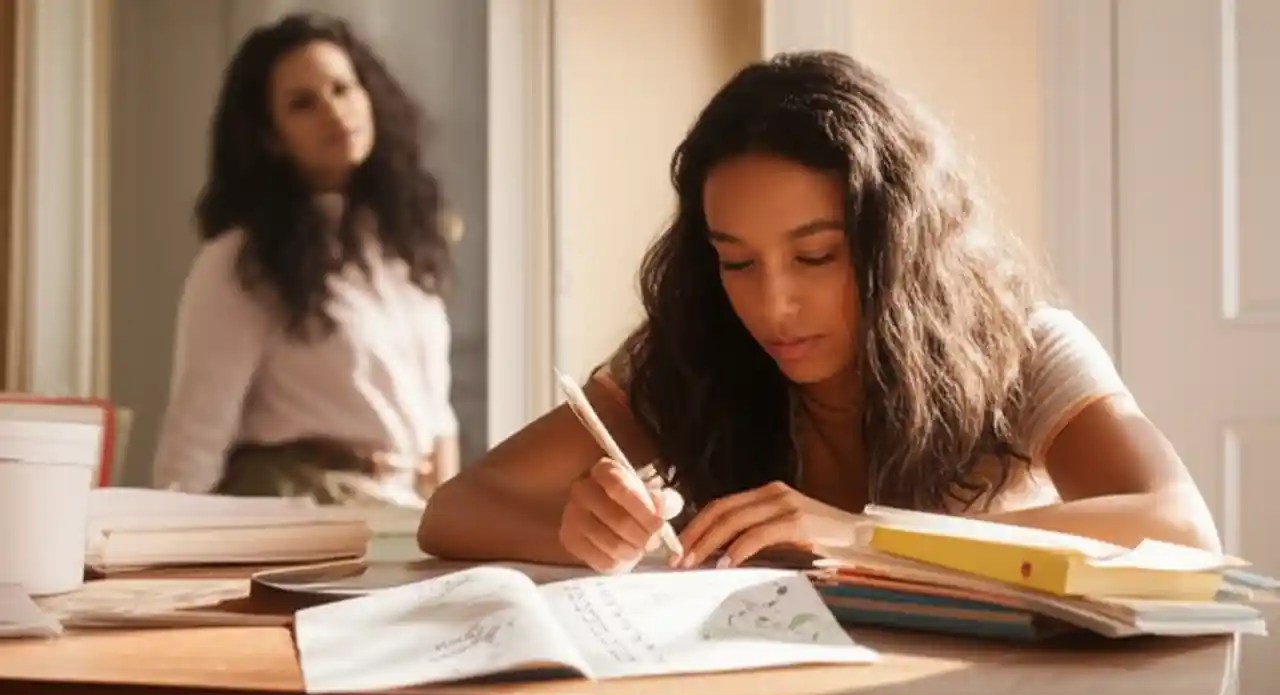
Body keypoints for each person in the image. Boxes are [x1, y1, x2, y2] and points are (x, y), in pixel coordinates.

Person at [419, 50, 1221, 572]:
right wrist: (582, 536)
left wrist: (865, 539)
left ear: (897, 243)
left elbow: (1180, 530)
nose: (772, 305)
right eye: (736, 261)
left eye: (816, 256)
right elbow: (455, 510)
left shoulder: (1026, 347)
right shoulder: (699, 343)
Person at [153, 12, 459, 505]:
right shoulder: (240, 261)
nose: (335, 113)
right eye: (303, 104)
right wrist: (162, 557)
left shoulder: (403, 248)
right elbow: (196, 435)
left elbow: (436, 413)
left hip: (401, 507)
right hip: (295, 506)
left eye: (343, 88)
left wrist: (451, 515)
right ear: (271, 136)